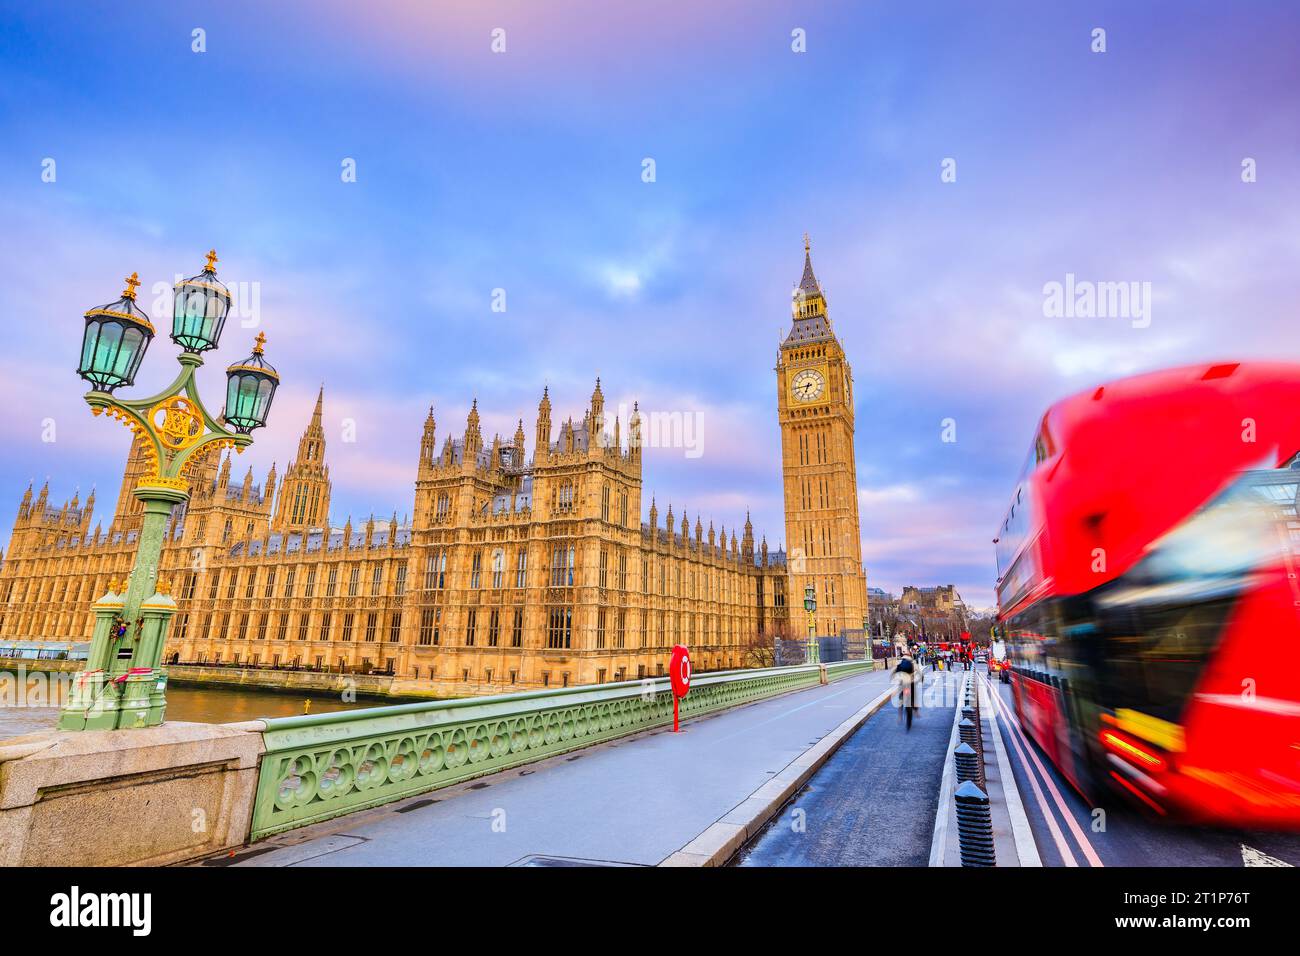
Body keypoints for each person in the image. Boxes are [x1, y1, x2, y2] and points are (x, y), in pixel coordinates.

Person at [893, 654, 917, 730]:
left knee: (900, 700)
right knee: (914, 697)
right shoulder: (912, 664)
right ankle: (916, 710)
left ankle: (900, 717)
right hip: (910, 683)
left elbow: (895, 674)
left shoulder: (900, 664)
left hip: (903, 684)